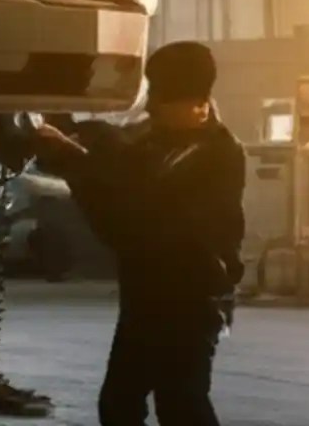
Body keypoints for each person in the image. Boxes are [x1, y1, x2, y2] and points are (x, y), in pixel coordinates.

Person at [29, 41, 246, 426]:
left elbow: (140, 212)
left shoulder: (218, 157)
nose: (148, 105)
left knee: (180, 404)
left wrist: (79, 170)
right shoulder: (155, 140)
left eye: (158, 97)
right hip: (147, 296)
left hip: (190, 298)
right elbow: (115, 159)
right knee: (122, 403)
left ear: (195, 101)